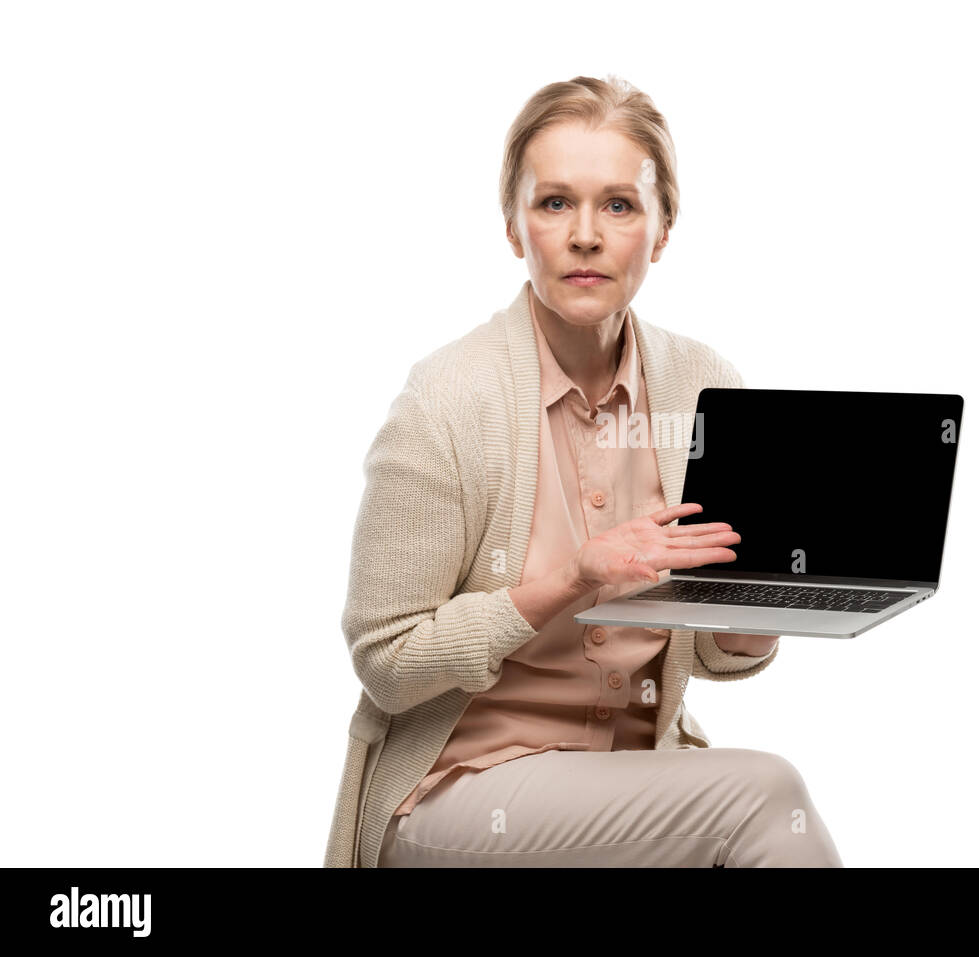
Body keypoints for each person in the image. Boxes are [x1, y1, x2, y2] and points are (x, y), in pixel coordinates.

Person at [323, 75, 842, 867]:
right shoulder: (447, 401)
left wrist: (767, 603)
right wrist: (570, 580)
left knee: (756, 806)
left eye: (620, 205)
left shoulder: (706, 385)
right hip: (458, 789)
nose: (586, 235)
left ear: (662, 230)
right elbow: (386, 661)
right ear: (512, 226)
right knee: (765, 797)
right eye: (555, 202)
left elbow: (712, 650)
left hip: (629, 782)